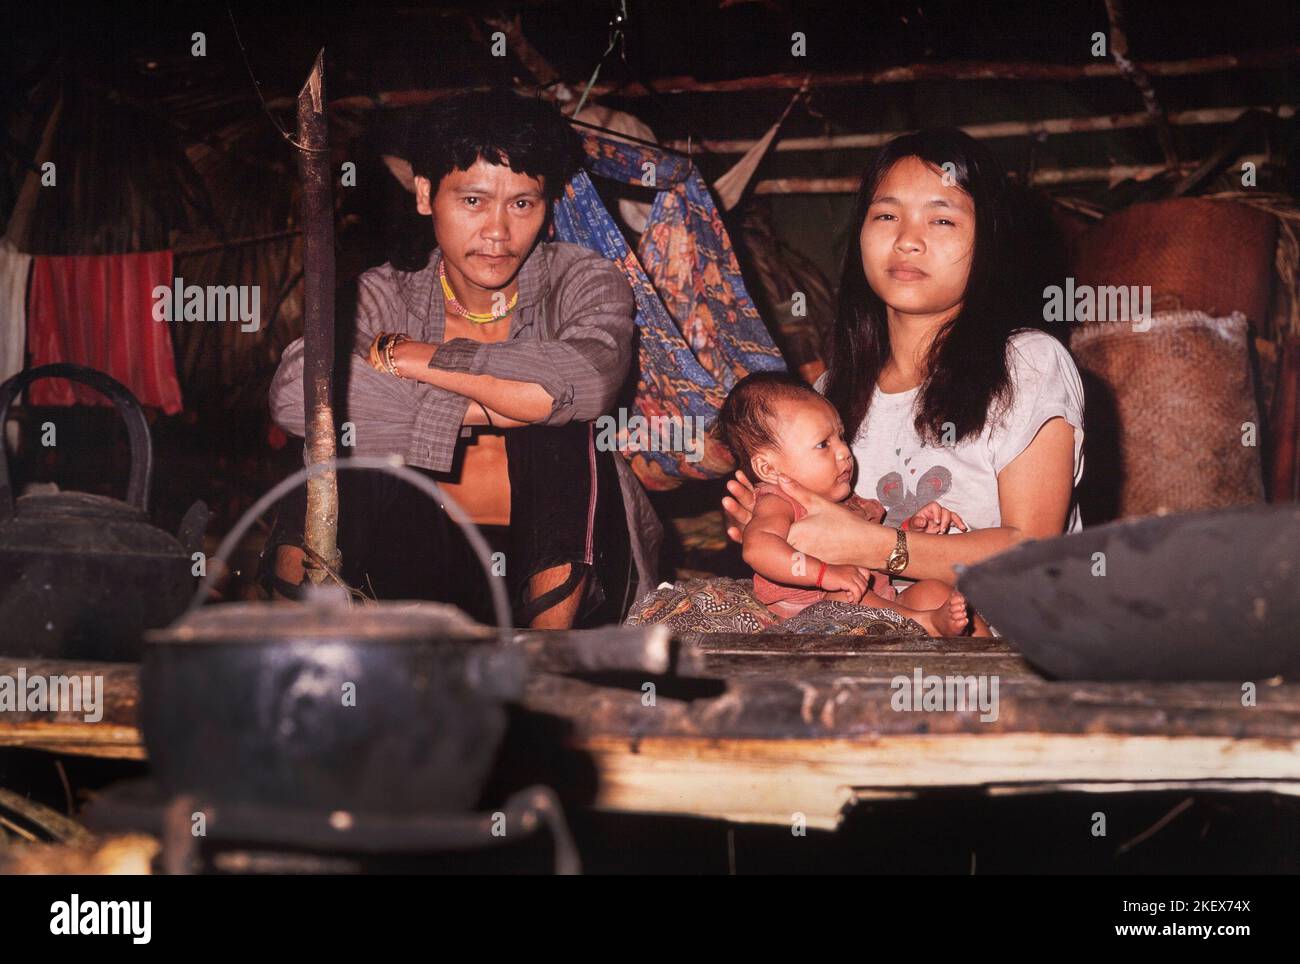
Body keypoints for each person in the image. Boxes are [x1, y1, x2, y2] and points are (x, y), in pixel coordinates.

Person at [261, 88, 659, 628]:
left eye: (522, 203)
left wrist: (412, 359)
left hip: (569, 577)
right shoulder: (383, 295)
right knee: (337, 435)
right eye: (473, 201)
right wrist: (501, 404)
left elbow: (583, 387)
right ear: (425, 195)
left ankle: (546, 663)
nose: (498, 232)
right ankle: (293, 640)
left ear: (548, 205)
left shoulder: (583, 279)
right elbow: (296, 394)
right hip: (418, 561)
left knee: (562, 425)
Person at [722, 129, 1085, 612]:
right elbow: (806, 545)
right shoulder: (828, 393)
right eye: (887, 215)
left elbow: (1033, 554)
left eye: (941, 219)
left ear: (988, 241)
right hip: (869, 651)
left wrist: (866, 545)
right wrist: (781, 527)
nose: (907, 240)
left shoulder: (1028, 365)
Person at [716, 371, 976, 636]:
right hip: (812, 624)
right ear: (768, 467)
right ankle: (924, 623)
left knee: (934, 591)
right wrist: (824, 574)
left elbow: (874, 548)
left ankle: (996, 670)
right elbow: (757, 549)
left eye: (841, 437)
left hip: (883, 607)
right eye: (823, 444)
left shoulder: (848, 502)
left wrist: (912, 530)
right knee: (847, 594)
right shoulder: (778, 501)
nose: (844, 452)